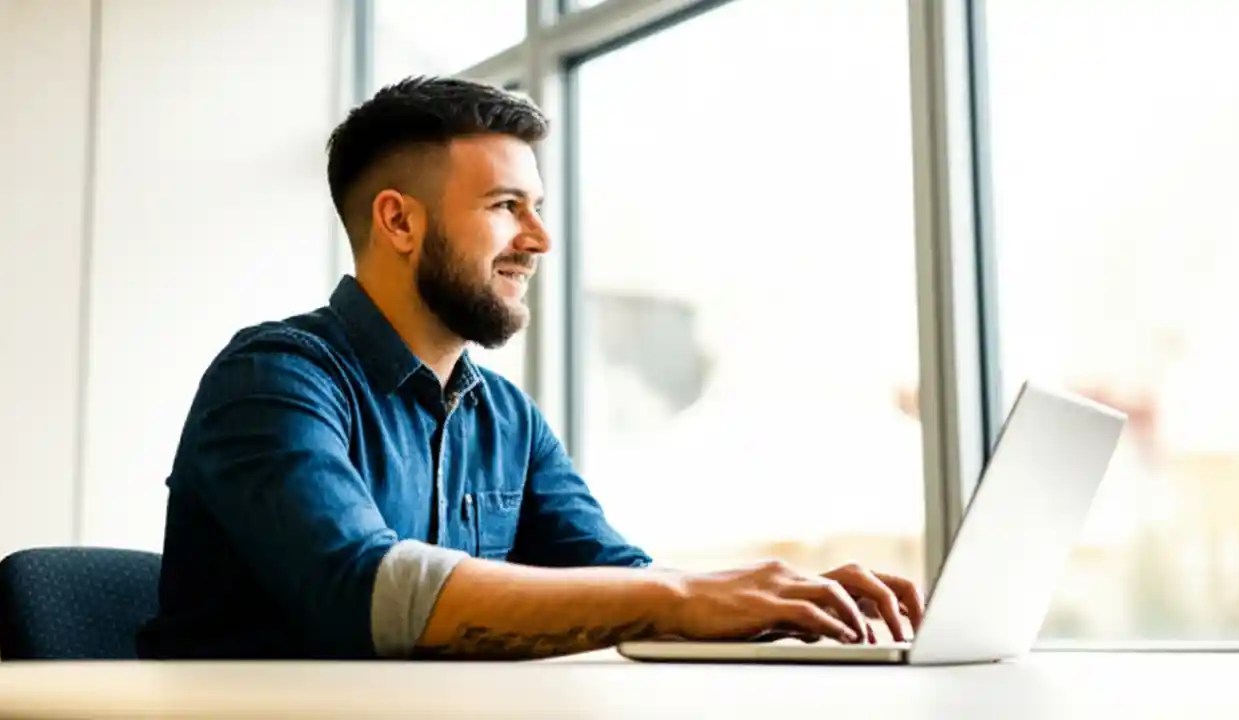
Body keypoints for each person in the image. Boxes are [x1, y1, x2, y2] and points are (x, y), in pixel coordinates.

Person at [138, 76, 924, 660]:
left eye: (537, 207)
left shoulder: (505, 417)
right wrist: (681, 596)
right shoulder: (273, 379)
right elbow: (363, 589)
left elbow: (619, 580)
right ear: (398, 220)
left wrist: (775, 612)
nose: (539, 239)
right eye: (506, 206)